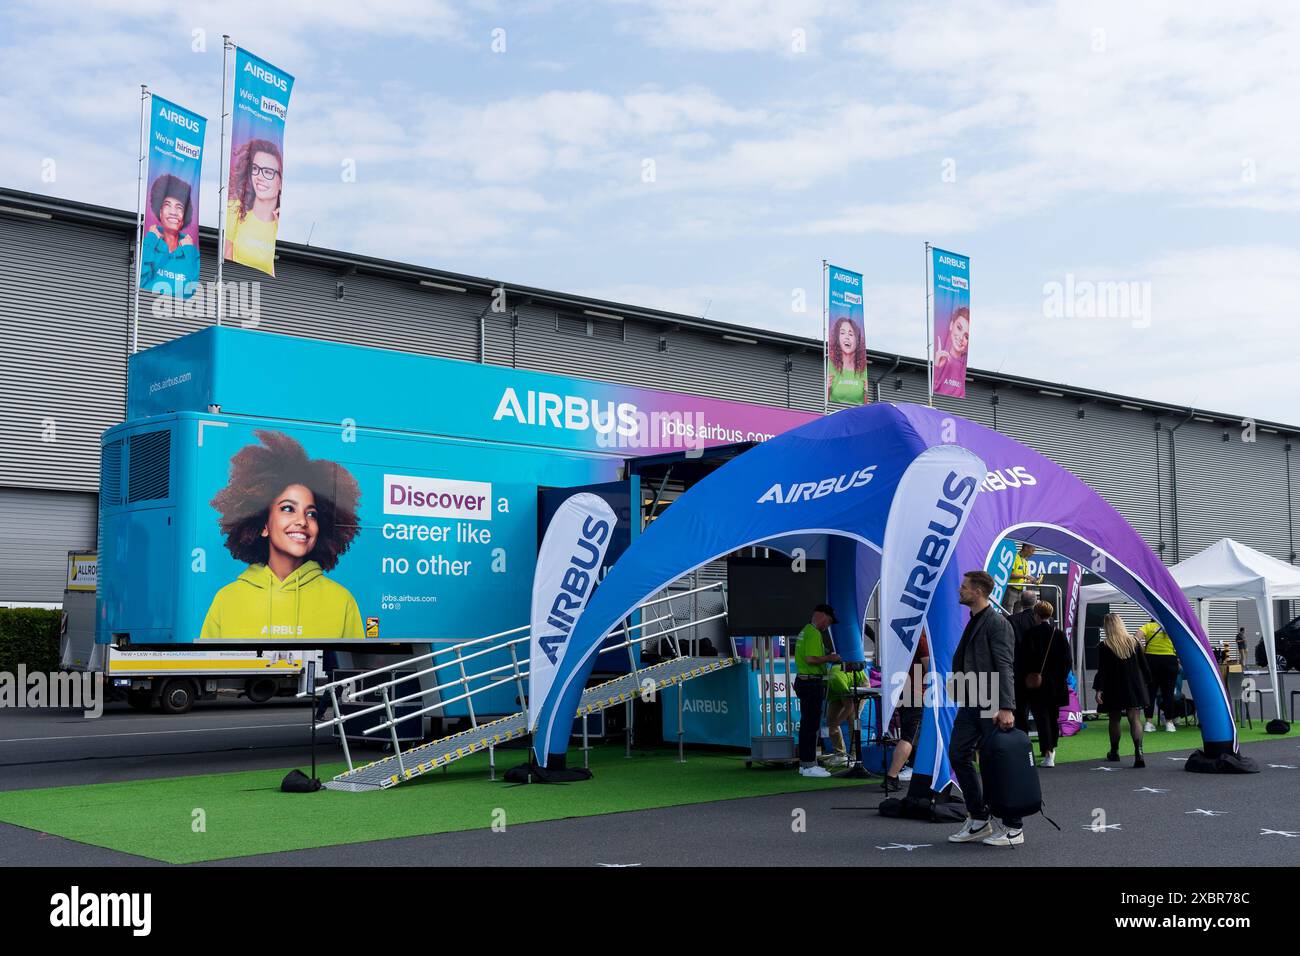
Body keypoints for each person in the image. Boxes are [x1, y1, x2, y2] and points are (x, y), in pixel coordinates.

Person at [202, 430, 364, 639]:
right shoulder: (227, 600)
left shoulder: (342, 601)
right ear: (263, 525)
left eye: (311, 514)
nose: (302, 521)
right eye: (288, 508)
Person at [947, 570, 1023, 847]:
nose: (960, 590)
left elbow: (1005, 665)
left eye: (965, 587)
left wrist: (1006, 706)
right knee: (957, 754)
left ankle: (1015, 827)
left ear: (979, 591)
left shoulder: (997, 622)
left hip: (991, 701)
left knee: (996, 763)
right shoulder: (974, 620)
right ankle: (979, 818)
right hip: (971, 700)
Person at [1014, 601, 1071, 767]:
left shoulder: (1030, 634)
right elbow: (1067, 661)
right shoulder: (1058, 634)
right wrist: (1059, 678)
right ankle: (1051, 749)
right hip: (1055, 684)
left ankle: (1047, 752)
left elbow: (1023, 660)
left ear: (1036, 615)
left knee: (1041, 718)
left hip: (1036, 684)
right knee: (1053, 717)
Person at [1093, 614, 1153, 768]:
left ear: (1107, 627)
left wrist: (1099, 689)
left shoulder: (1104, 645)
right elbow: (1144, 667)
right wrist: (1145, 685)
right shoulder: (1134, 643)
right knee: (1135, 719)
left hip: (1113, 687)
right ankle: (1139, 752)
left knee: (1114, 719)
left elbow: (1103, 670)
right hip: (1134, 686)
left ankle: (1114, 751)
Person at [793, 603, 840, 778]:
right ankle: (809, 765)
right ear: (821, 616)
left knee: (807, 724)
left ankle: (806, 764)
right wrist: (830, 657)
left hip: (804, 681)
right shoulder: (813, 633)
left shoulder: (806, 631)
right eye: (828, 622)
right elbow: (811, 659)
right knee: (811, 726)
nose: (827, 626)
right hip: (811, 683)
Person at [225, 138, 284, 275]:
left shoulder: (279, 225)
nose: (259, 177)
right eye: (256, 169)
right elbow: (226, 259)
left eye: (268, 172)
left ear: (280, 182)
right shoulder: (235, 210)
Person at [883, 630, 929, 791]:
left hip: (899, 691)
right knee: (909, 737)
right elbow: (929, 667)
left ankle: (909, 766)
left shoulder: (899, 639)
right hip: (915, 693)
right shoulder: (921, 640)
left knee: (911, 734)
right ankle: (891, 776)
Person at [139, 174, 199, 296]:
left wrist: (188, 250)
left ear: (184, 216)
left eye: (179, 207)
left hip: (179, 311)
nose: (173, 212)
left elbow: (189, 291)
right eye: (168, 205)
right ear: (160, 212)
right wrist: (150, 241)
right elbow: (141, 279)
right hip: (145, 308)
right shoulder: (149, 242)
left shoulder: (191, 251)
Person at [1137, 619, 1179, 732]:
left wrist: (1143, 650)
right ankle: (1169, 723)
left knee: (1150, 693)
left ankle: (1148, 723)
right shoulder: (1171, 626)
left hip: (1151, 661)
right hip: (1169, 661)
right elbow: (1180, 643)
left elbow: (1135, 639)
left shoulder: (1148, 626)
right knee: (1168, 693)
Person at [826, 317, 867, 405]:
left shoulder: (862, 372)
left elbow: (865, 405)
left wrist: (866, 392)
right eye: (842, 333)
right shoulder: (832, 369)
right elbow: (825, 403)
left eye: (851, 334)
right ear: (837, 338)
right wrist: (827, 388)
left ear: (857, 340)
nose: (847, 337)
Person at [932, 306, 970, 394]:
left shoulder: (964, 368)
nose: (961, 338)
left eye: (966, 336)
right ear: (951, 325)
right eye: (959, 328)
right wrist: (937, 366)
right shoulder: (940, 359)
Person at [1003, 543, 1042, 610]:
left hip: (1021, 592)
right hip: (1011, 590)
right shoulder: (1014, 557)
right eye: (1032, 550)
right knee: (1008, 615)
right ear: (1026, 548)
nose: (1033, 553)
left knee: (1019, 616)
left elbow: (1024, 580)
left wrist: (1033, 581)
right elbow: (1009, 574)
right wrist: (1025, 576)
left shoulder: (1025, 561)